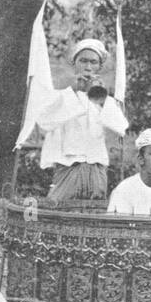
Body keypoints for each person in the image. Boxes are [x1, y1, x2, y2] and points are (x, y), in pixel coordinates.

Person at [38, 39, 129, 201]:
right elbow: (44, 122)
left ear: (99, 67)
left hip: (96, 167)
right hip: (69, 166)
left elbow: (121, 127)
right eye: (83, 61)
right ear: (74, 64)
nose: (88, 67)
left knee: (94, 213)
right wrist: (74, 91)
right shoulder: (61, 94)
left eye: (93, 62)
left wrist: (102, 101)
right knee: (60, 210)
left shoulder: (104, 98)